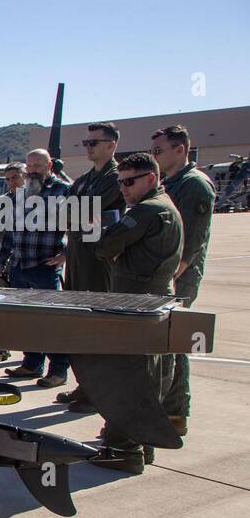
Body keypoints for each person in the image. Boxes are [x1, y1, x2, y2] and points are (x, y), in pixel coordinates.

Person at [90, 153, 183, 475]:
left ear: (151, 179)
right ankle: (142, 444)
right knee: (150, 377)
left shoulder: (147, 211)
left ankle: (123, 449)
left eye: (129, 182)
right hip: (154, 300)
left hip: (135, 303)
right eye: (119, 182)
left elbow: (104, 246)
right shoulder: (166, 207)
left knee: (128, 378)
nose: (123, 188)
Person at [152, 125, 215, 436]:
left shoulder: (194, 185)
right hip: (164, 276)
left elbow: (191, 244)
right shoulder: (170, 183)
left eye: (159, 151)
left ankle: (175, 412)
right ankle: (164, 408)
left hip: (178, 278)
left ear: (180, 149)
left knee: (174, 344)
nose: (155, 156)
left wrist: (168, 279)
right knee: (162, 345)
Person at [58, 122, 126, 414]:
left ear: (111, 145)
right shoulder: (84, 180)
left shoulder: (116, 178)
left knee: (97, 325)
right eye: (86, 142)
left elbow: (92, 215)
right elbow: (64, 213)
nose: (88, 147)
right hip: (77, 256)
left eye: (94, 142)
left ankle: (98, 391)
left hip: (99, 260)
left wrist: (74, 214)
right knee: (79, 325)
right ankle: (85, 384)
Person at [3, 149, 71, 387]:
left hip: (45, 266)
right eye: (30, 166)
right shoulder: (21, 193)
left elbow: (85, 226)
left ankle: (59, 370)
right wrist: (5, 261)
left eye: (38, 166)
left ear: (50, 165)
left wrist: (66, 254)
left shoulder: (63, 191)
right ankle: (32, 364)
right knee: (28, 321)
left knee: (52, 322)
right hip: (21, 265)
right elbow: (11, 231)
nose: (33, 171)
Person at [0, 163, 25, 362]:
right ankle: (0, 347)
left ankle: (32, 353)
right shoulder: (3, 202)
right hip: (2, 259)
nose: (11, 182)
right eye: (8, 179)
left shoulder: (38, 200)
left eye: (15, 177)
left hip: (26, 261)